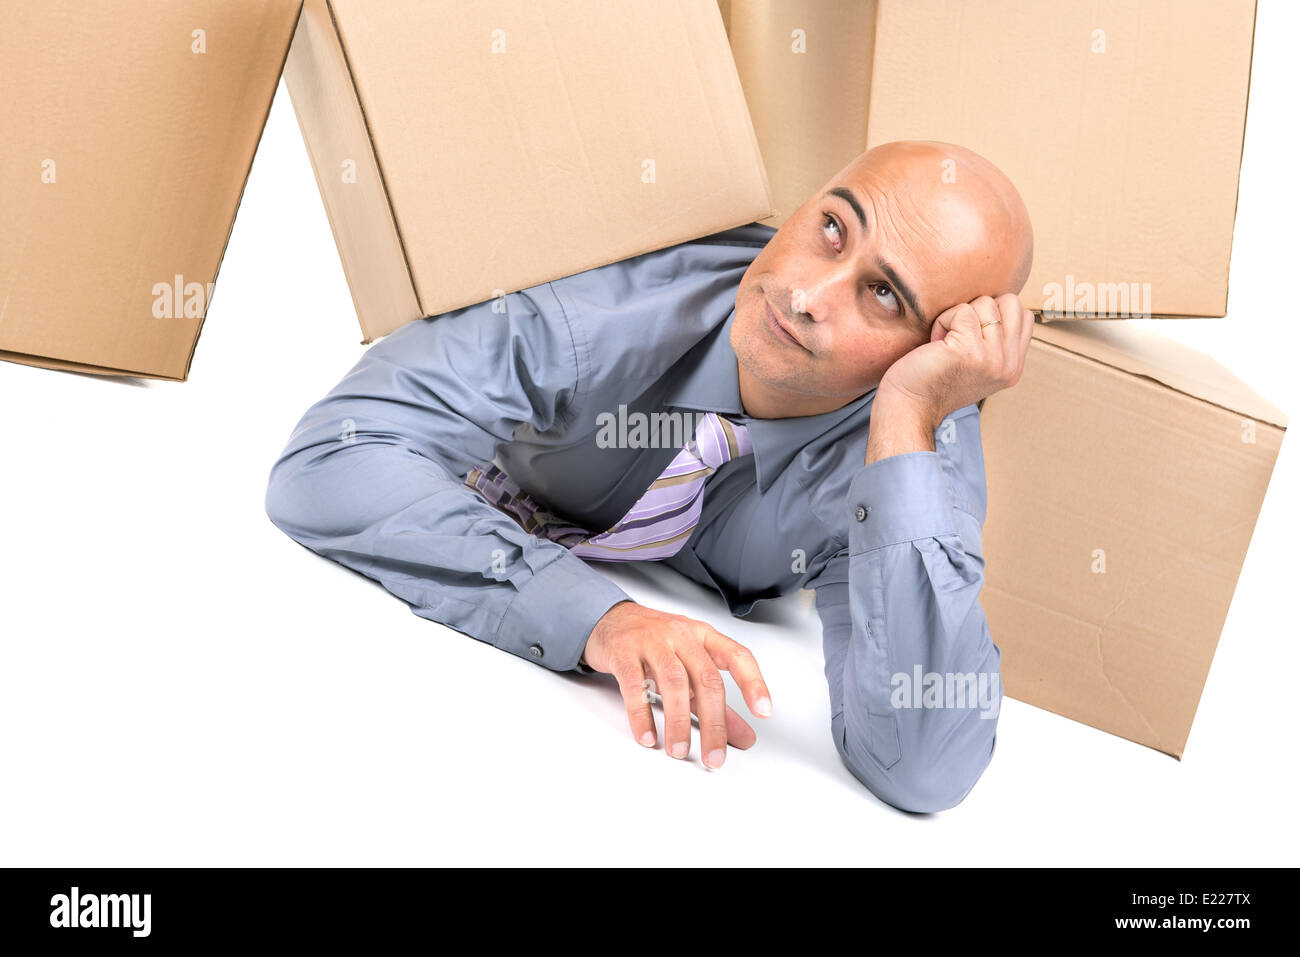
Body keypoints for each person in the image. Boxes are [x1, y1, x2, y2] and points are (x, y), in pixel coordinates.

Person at [265, 140, 1035, 813]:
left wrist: (905, 411)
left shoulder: (913, 452)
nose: (806, 296)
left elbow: (924, 765)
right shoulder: (605, 305)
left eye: (882, 294)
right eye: (831, 227)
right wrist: (597, 617)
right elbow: (331, 456)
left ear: (932, 348)